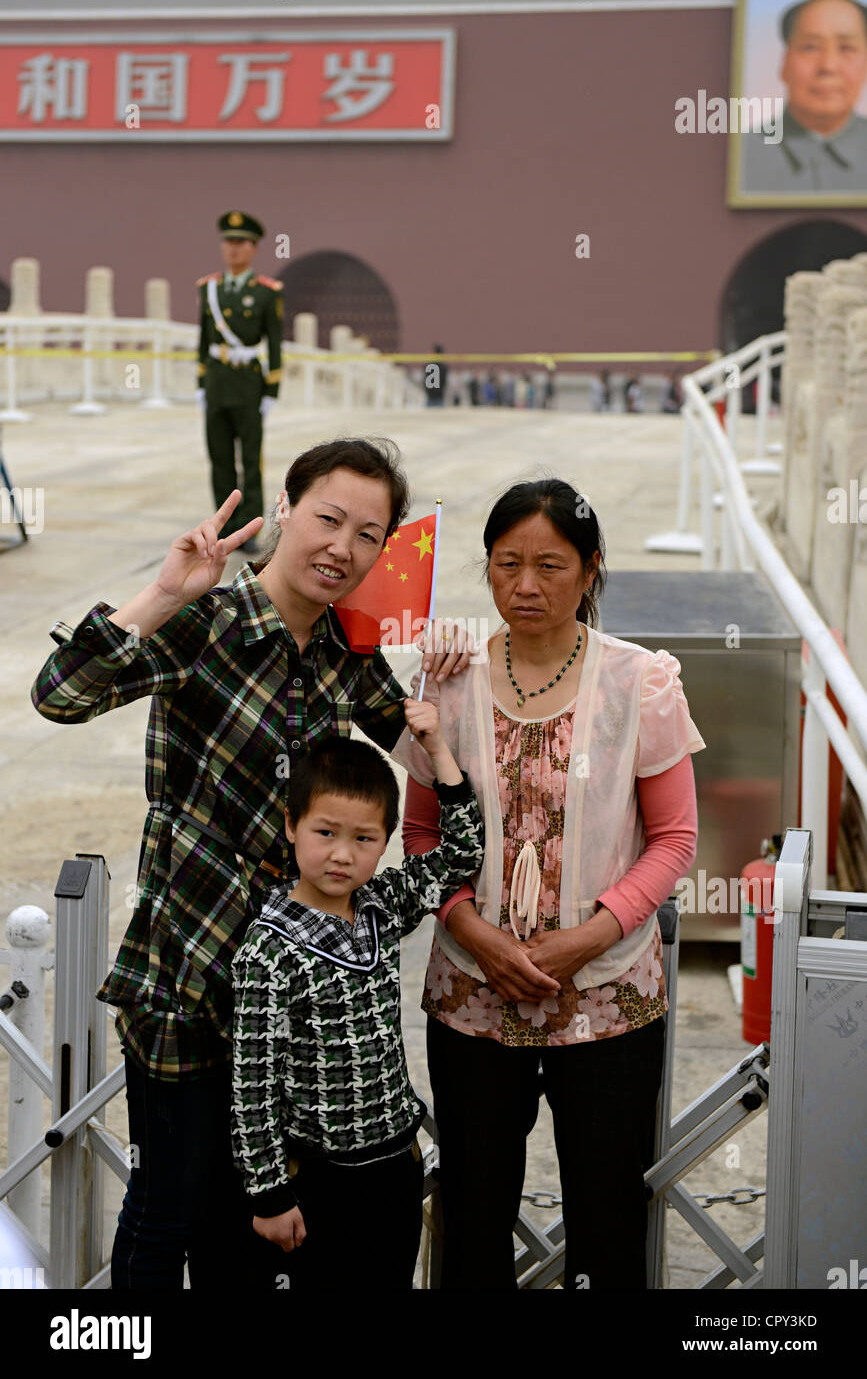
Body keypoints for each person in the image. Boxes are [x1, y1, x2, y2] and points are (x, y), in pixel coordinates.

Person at [30, 436, 473, 1291]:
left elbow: (419, 758)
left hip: (286, 998)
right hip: (191, 973)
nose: (342, 547)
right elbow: (60, 695)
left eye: (369, 534)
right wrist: (163, 592)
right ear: (287, 508)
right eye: (328, 519)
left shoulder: (348, 650)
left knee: (243, 1228)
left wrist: (443, 682)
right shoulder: (209, 622)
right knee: (170, 1204)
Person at [394, 478, 706, 1290]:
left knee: (607, 1214)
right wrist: (469, 929)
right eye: (506, 565)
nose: (525, 586)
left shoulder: (639, 683)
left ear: (591, 569)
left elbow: (674, 838)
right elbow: (422, 833)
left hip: (606, 993)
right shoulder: (449, 680)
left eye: (550, 566)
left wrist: (590, 934)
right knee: (469, 1207)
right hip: (473, 988)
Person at [231, 719, 484, 1290]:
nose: (342, 855)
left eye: (364, 839)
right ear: (292, 827)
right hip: (316, 1178)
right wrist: (269, 1195)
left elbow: (463, 850)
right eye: (325, 833)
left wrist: (438, 749)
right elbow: (252, 1087)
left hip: (396, 1164)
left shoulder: (381, 907)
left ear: (387, 838)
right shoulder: (268, 952)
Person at [197, 210, 284, 548]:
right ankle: (223, 523)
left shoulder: (266, 292)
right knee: (219, 458)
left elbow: (275, 343)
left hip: (249, 384)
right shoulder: (208, 289)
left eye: (240, 243)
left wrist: (272, 389)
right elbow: (203, 340)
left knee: (250, 460)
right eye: (228, 243)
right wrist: (201, 384)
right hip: (217, 382)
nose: (233, 249)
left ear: (254, 249)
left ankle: (248, 528)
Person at [741, 0, 867, 193]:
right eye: (810, 47)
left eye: (847, 48)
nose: (828, 66)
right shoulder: (740, 154)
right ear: (784, 64)